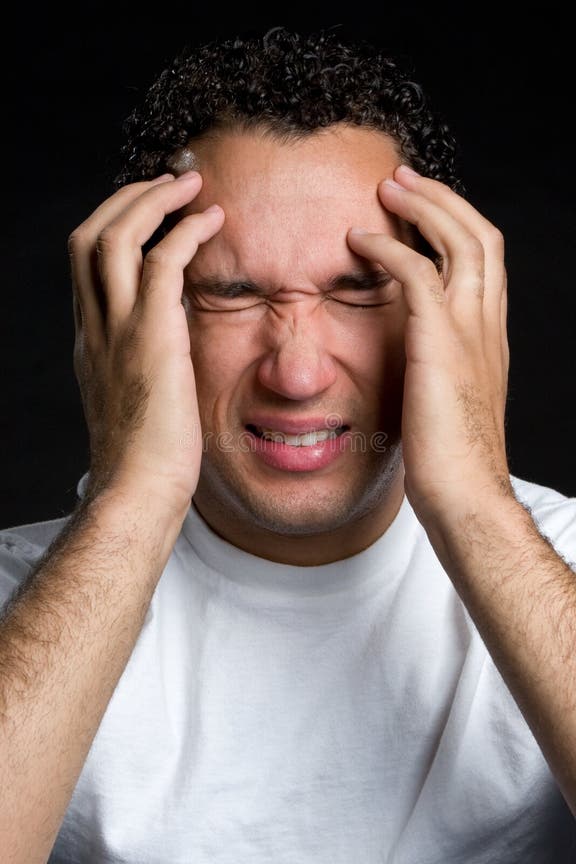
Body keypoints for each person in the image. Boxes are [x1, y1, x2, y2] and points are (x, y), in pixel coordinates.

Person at [0, 25, 575, 863]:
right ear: (132, 319)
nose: (298, 374)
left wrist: (476, 505)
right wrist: (131, 502)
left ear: (455, 310)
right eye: (231, 293)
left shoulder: (559, 570)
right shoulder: (21, 608)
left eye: (361, 289)